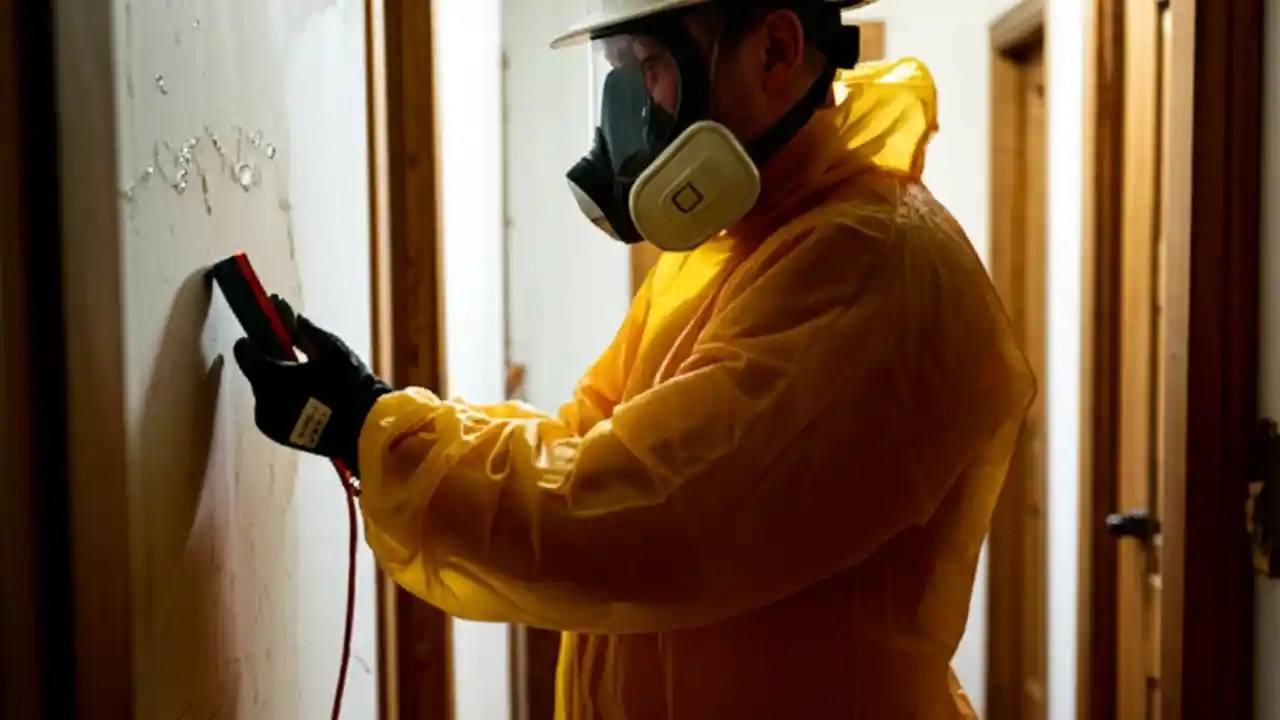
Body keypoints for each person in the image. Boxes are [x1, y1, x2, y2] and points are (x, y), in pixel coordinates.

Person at [233, 0, 1035, 716]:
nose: (628, 117)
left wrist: (377, 431)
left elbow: (646, 514)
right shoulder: (749, 245)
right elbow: (587, 442)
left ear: (777, 51)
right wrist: (378, 416)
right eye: (616, 73)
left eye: (648, 67)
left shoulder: (869, 263)